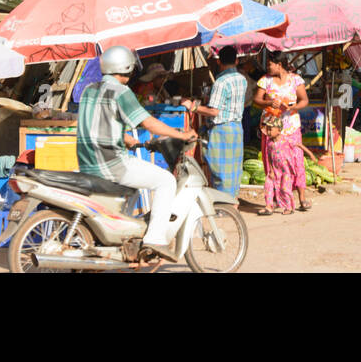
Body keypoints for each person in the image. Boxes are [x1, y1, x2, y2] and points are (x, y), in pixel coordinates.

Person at [76, 45, 195, 258]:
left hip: (86, 162)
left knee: (135, 185)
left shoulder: (89, 90)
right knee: (166, 180)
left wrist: (123, 137)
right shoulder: (121, 92)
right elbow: (149, 123)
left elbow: (96, 123)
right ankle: (155, 239)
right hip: (111, 163)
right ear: (127, 68)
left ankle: (124, 236)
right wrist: (182, 135)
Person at [253, 53, 311, 215]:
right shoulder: (265, 80)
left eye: (270, 64)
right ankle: (275, 200)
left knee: (296, 161)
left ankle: (301, 198)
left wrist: (292, 108)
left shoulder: (296, 80)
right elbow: (256, 100)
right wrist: (269, 102)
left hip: (291, 127)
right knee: (271, 163)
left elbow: (304, 100)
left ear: (279, 64)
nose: (267, 67)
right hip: (270, 129)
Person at [189, 45, 245, 198]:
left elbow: (214, 111)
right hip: (236, 128)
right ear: (237, 60)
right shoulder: (242, 79)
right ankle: (233, 200)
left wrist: (193, 107)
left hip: (222, 129)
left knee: (220, 170)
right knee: (233, 169)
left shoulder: (221, 82)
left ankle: (225, 203)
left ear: (219, 62)